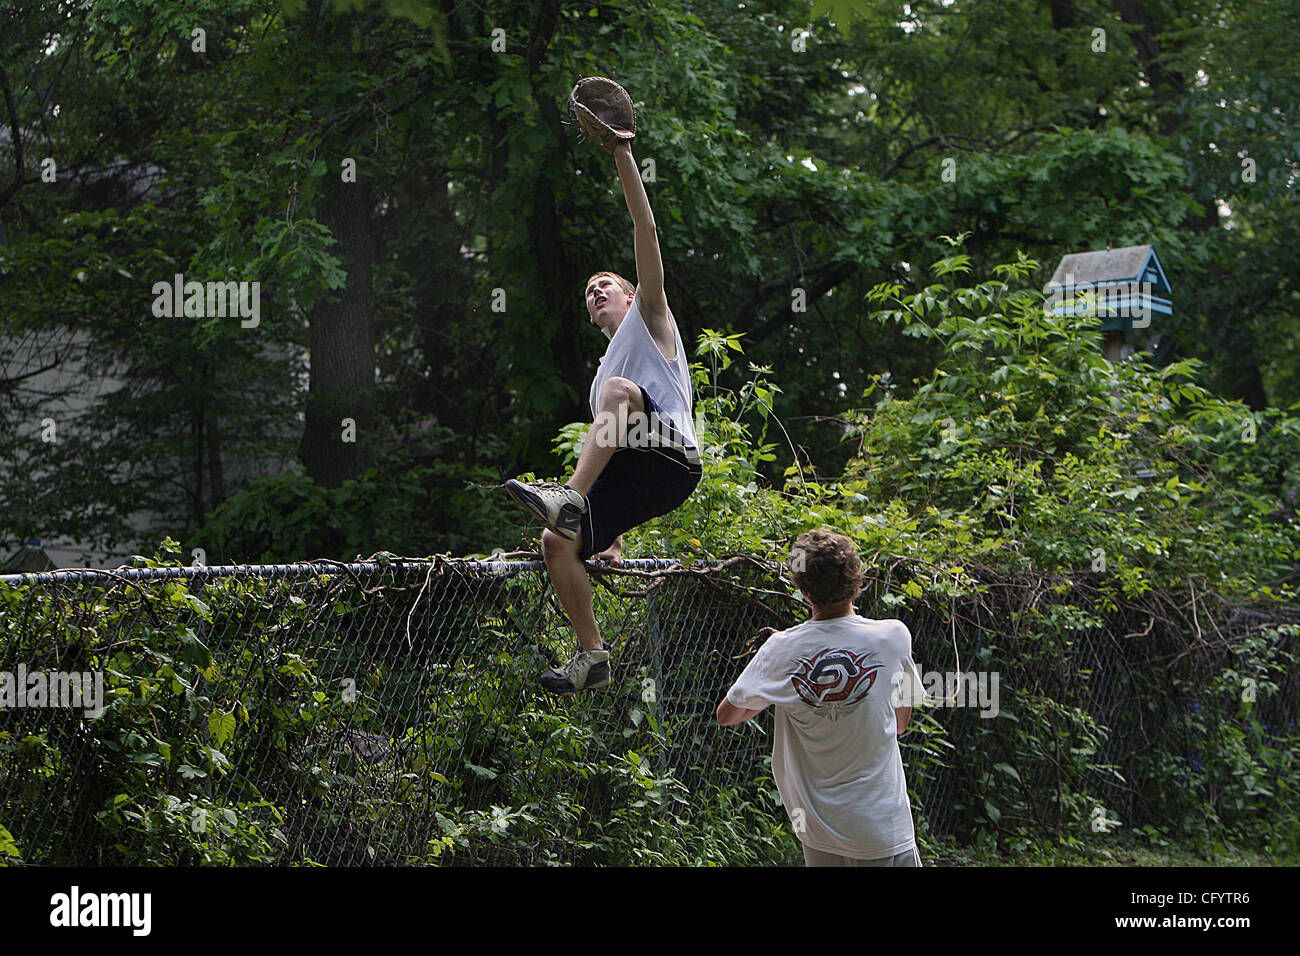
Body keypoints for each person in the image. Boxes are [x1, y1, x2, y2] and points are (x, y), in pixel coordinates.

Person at [504, 136, 701, 695]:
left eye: (605, 284)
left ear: (633, 292)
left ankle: (568, 498)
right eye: (589, 292)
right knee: (556, 543)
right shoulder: (601, 379)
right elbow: (612, 456)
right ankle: (592, 656)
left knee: (617, 395)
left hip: (677, 459)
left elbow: (646, 230)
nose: (595, 290)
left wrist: (620, 154)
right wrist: (610, 537)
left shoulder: (652, 319)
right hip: (650, 479)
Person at [717, 529, 927, 867]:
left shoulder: (781, 648)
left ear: (803, 589)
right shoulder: (892, 635)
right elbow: (901, 723)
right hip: (882, 829)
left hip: (818, 831)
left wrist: (786, 687)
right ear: (857, 580)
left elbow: (728, 714)